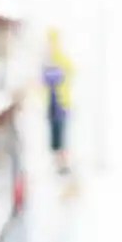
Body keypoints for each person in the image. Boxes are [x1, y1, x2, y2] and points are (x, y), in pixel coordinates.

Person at [42, 28, 74, 176]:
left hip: (62, 106)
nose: (49, 46)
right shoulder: (48, 61)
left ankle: (63, 167)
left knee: (62, 139)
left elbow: (54, 79)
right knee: (55, 140)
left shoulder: (61, 60)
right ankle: (58, 167)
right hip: (52, 107)